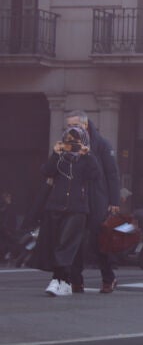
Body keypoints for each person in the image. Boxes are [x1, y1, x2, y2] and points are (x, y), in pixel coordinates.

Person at [36, 125, 103, 296]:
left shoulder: (85, 159)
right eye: (68, 141)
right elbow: (47, 172)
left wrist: (87, 154)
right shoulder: (60, 159)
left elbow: (96, 175)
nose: (71, 145)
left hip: (77, 208)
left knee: (65, 243)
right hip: (56, 206)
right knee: (56, 243)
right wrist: (55, 153)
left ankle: (55, 279)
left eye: (76, 142)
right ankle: (64, 281)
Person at [66, 110, 122, 293]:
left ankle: (108, 277)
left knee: (99, 240)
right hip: (76, 199)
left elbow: (112, 174)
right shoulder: (68, 145)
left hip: (97, 198)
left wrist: (114, 200)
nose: (71, 129)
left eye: (75, 125)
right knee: (75, 240)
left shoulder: (101, 144)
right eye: (68, 126)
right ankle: (76, 280)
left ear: (85, 125)